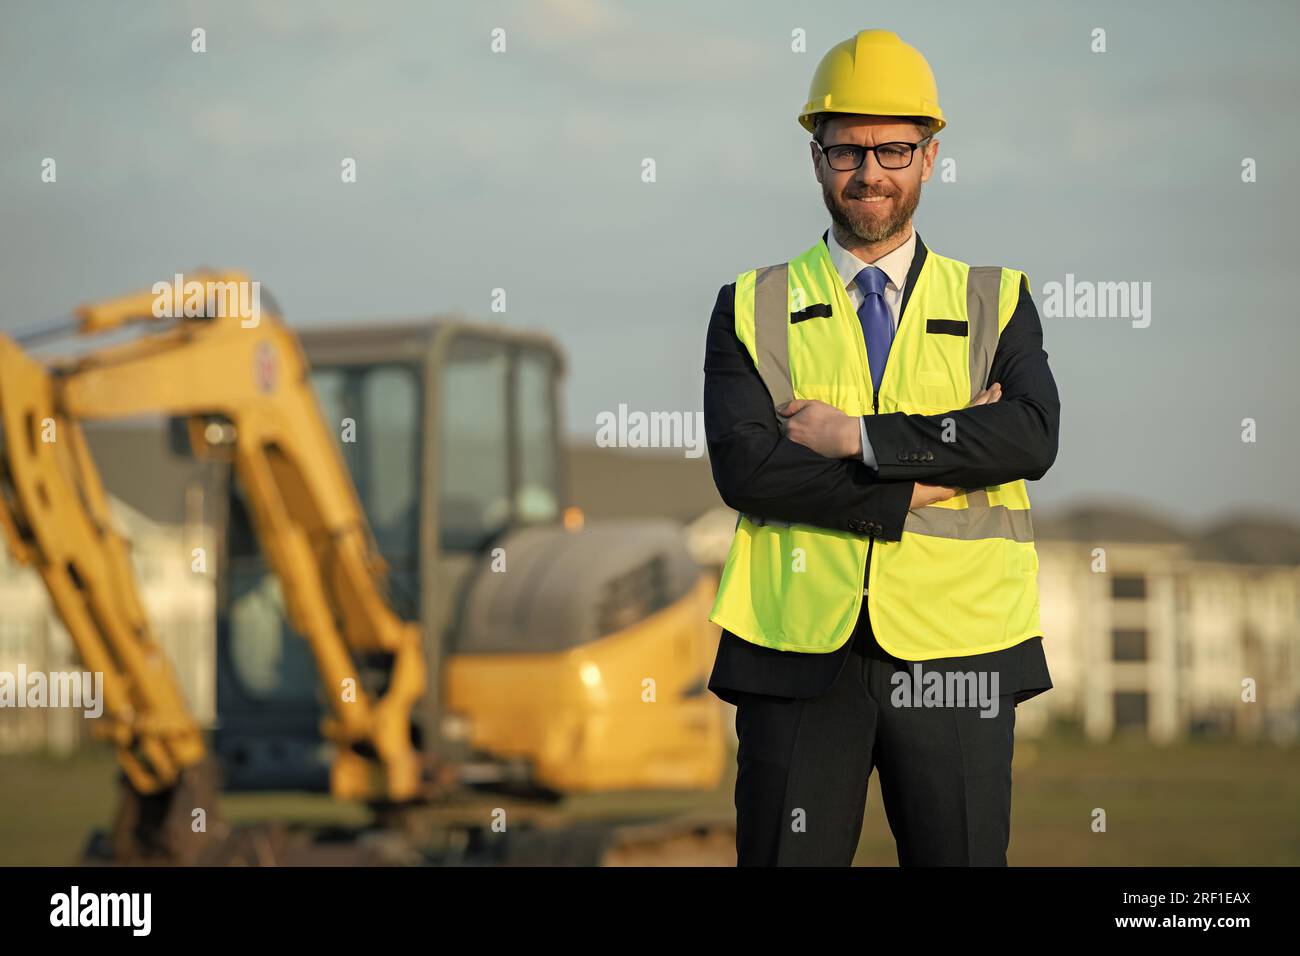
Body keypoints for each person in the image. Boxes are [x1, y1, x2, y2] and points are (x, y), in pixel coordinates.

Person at [703, 29, 1060, 866]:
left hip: (960, 653)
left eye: (894, 149)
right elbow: (749, 469)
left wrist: (855, 437)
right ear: (815, 156)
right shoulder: (748, 304)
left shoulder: (996, 299)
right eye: (846, 150)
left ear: (931, 157)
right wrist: (918, 486)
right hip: (793, 656)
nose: (870, 172)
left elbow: (1030, 434)